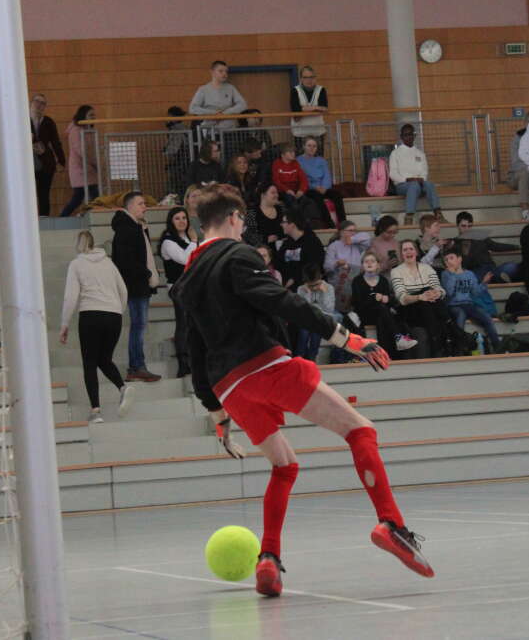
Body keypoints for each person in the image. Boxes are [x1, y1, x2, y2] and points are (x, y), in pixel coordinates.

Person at [171, 185, 434, 597]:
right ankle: (391, 523)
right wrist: (347, 338)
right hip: (264, 365)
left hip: (230, 387)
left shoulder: (189, 278)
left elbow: (194, 346)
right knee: (360, 431)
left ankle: (268, 558)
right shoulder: (237, 255)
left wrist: (217, 412)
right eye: (242, 222)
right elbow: (282, 301)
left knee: (284, 465)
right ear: (234, 218)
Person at [60, 231, 136, 423]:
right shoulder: (108, 263)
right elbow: (123, 290)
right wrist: (118, 310)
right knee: (104, 359)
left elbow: (70, 297)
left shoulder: (76, 264)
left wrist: (65, 323)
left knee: (90, 363)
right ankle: (122, 387)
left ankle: (96, 411)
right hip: (114, 316)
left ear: (78, 245)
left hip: (91, 315)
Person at [111, 192, 161, 383]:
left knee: (139, 326)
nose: (145, 207)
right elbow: (125, 260)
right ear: (130, 206)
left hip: (139, 284)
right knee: (138, 326)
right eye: (141, 204)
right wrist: (146, 273)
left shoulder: (136, 226)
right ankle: (136, 366)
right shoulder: (126, 228)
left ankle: (137, 365)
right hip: (135, 285)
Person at [392, 239, 454, 357]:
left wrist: (436, 293)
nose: (408, 252)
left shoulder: (427, 268)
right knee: (425, 297)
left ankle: (437, 339)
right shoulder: (396, 271)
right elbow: (402, 298)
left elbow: (440, 289)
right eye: (405, 250)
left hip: (430, 308)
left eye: (411, 249)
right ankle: (449, 329)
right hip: (410, 310)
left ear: (416, 251)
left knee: (429, 299)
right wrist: (420, 297)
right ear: (401, 254)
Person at [351, 251, 417, 359]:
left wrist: (387, 299)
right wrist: (374, 298)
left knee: (383, 315)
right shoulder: (357, 281)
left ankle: (385, 353)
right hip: (364, 314)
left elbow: (390, 301)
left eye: (372, 261)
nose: (369, 263)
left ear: (378, 264)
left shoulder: (383, 280)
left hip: (381, 314)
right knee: (382, 310)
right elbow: (357, 303)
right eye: (366, 261)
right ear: (362, 265)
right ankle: (397, 339)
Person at [161, 208, 199, 378]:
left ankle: (195, 360)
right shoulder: (168, 241)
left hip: (192, 286)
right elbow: (185, 259)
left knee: (194, 324)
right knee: (183, 323)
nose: (182, 221)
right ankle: (183, 364)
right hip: (178, 287)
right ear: (171, 221)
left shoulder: (188, 240)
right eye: (177, 218)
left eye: (184, 217)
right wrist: (194, 241)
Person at [441, 250, 501, 352]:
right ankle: (459, 349)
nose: (449, 261)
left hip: (468, 304)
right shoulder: (445, 274)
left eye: (451, 258)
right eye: (446, 260)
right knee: (460, 315)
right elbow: (449, 292)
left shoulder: (469, 274)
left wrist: (484, 283)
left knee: (487, 318)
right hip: (454, 305)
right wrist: (452, 274)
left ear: (459, 259)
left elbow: (475, 293)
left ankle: (498, 347)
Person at [389, 124, 442, 225]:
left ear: (414, 136)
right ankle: (409, 218)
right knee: (413, 185)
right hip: (402, 185)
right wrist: (407, 179)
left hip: (419, 183)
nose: (408, 137)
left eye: (410, 134)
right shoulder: (395, 153)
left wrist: (421, 179)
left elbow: (424, 171)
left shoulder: (420, 153)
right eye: (406, 135)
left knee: (429, 184)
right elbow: (393, 174)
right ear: (401, 137)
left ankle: (438, 215)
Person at [452, 211, 520, 283]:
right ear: (457, 226)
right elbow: (463, 265)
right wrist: (465, 244)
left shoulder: (480, 236)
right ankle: (498, 279)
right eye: (463, 226)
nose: (467, 229)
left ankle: (495, 277)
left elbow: (496, 246)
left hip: (491, 268)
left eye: (469, 226)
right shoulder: (455, 243)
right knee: (472, 278)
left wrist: (516, 247)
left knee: (511, 266)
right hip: (476, 271)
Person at [31, 93, 66, 217]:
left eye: (43, 103)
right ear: (31, 103)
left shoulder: (49, 122)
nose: (39, 105)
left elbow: (56, 142)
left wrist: (61, 161)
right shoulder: (22, 119)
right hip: (28, 163)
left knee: (44, 193)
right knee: (28, 192)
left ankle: (44, 219)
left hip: (46, 163)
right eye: (37, 101)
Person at [295, 264, 339, 361]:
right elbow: (302, 309)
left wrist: (324, 293)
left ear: (321, 277)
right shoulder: (301, 289)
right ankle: (299, 358)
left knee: (316, 332)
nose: (314, 288)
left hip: (322, 319)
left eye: (316, 284)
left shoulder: (329, 288)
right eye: (311, 286)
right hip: (306, 319)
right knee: (304, 333)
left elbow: (329, 309)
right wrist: (308, 294)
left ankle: (312, 358)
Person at [324, 220, 371, 312]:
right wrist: (337, 263)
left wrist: (352, 240)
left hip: (354, 283)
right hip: (339, 284)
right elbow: (327, 267)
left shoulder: (357, 245)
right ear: (341, 232)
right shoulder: (333, 246)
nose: (354, 233)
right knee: (340, 310)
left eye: (355, 231)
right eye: (350, 230)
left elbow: (367, 237)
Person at [188, 60, 247, 132]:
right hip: (209, 129)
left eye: (226, 71)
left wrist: (224, 114)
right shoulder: (203, 89)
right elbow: (192, 108)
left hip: (228, 129)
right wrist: (213, 114)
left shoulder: (231, 88)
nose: (224, 74)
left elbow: (243, 104)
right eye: (221, 71)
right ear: (212, 72)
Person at [298, 136, 345, 225]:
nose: (312, 148)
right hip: (309, 189)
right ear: (304, 146)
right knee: (317, 197)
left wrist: (324, 187)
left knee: (337, 195)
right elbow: (302, 179)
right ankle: (328, 222)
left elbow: (327, 176)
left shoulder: (322, 160)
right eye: (309, 145)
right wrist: (315, 187)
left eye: (314, 146)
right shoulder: (298, 161)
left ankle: (343, 222)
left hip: (323, 188)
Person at [63, 105, 100, 216]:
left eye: (94, 115)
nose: (93, 117)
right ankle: (65, 216)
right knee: (83, 196)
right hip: (80, 169)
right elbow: (81, 151)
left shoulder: (89, 130)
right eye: (90, 115)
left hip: (88, 168)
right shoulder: (76, 130)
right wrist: (95, 162)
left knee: (84, 196)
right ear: (83, 116)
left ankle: (83, 215)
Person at [277, 211, 324, 290]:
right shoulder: (287, 243)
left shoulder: (312, 242)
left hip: (307, 285)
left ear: (292, 224)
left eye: (283, 222)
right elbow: (279, 262)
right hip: (288, 285)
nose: (281, 224)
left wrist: (294, 279)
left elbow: (313, 265)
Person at [290, 65, 328, 152]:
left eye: (311, 77)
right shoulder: (295, 91)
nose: (309, 80)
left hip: (317, 132)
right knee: (301, 158)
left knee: (318, 158)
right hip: (300, 133)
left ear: (315, 78)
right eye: (306, 77)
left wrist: (303, 108)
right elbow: (296, 110)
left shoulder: (321, 90)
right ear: (301, 79)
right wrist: (315, 108)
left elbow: (324, 108)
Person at [271, 142, 310, 211]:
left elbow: (303, 179)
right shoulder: (276, 164)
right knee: (291, 201)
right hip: (283, 191)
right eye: (290, 152)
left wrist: (301, 190)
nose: (293, 154)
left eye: (293, 152)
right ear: (282, 155)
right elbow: (276, 181)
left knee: (306, 201)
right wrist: (287, 190)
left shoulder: (296, 163)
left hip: (295, 190)